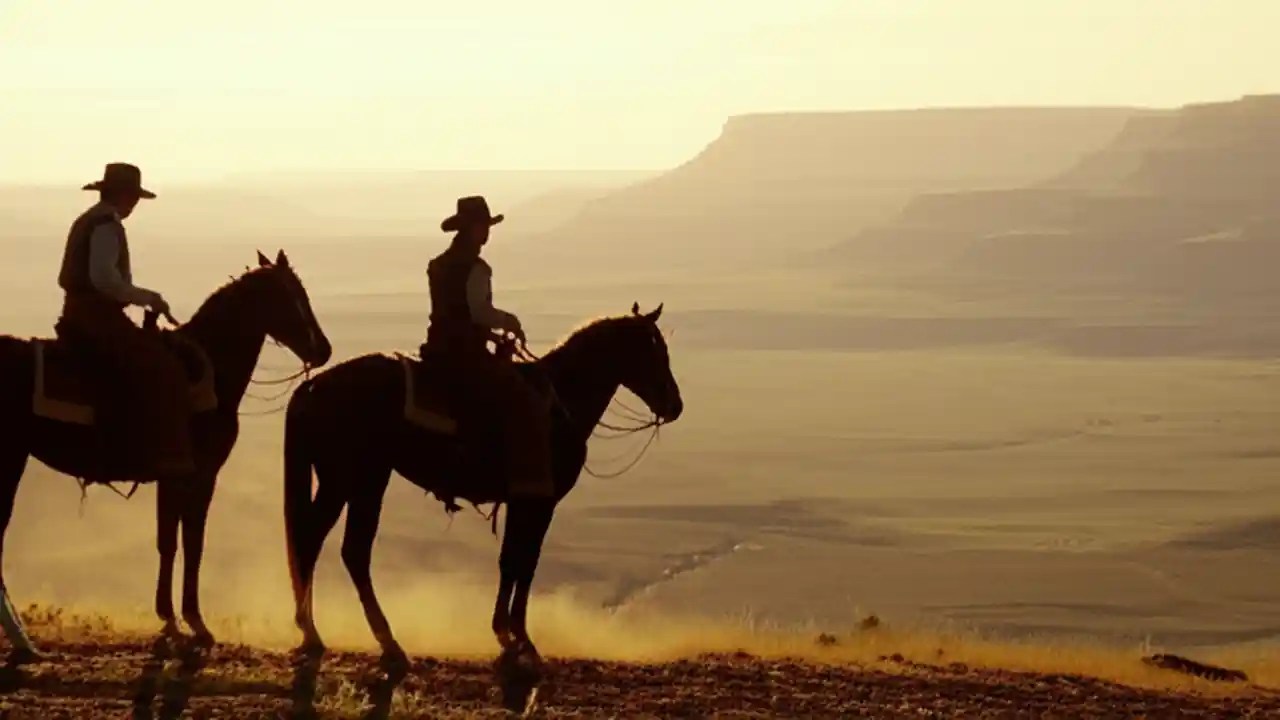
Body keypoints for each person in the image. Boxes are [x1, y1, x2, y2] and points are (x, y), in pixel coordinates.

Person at [54, 162, 195, 479]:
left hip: (80, 312)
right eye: (132, 197)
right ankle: (169, 456)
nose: (133, 204)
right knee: (163, 367)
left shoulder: (90, 220)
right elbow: (104, 279)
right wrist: (148, 297)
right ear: (123, 195)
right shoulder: (106, 224)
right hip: (96, 316)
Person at [423, 196, 553, 498]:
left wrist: (490, 336)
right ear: (473, 228)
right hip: (464, 355)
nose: (487, 232)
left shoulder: (439, 264)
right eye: (484, 226)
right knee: (523, 400)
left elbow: (454, 315)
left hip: (438, 349)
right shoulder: (477, 268)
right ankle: (520, 480)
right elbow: (478, 311)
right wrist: (510, 322)